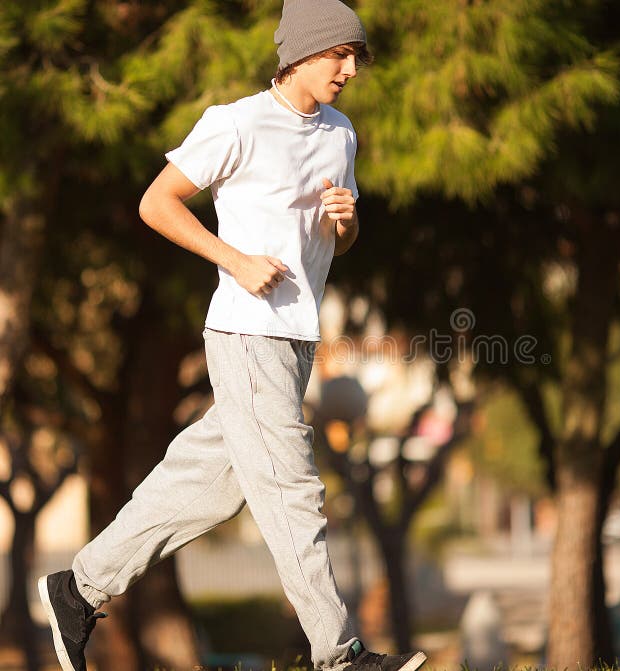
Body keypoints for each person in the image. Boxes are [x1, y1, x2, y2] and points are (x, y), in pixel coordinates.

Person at [37, 2, 428, 671]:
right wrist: (234, 260)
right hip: (246, 333)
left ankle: (79, 586)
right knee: (293, 488)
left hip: (297, 337)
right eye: (339, 54)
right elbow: (156, 202)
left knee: (208, 483)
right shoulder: (237, 123)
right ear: (302, 52)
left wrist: (346, 222)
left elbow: (342, 242)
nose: (351, 69)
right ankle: (339, 653)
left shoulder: (340, 134)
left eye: (356, 56)